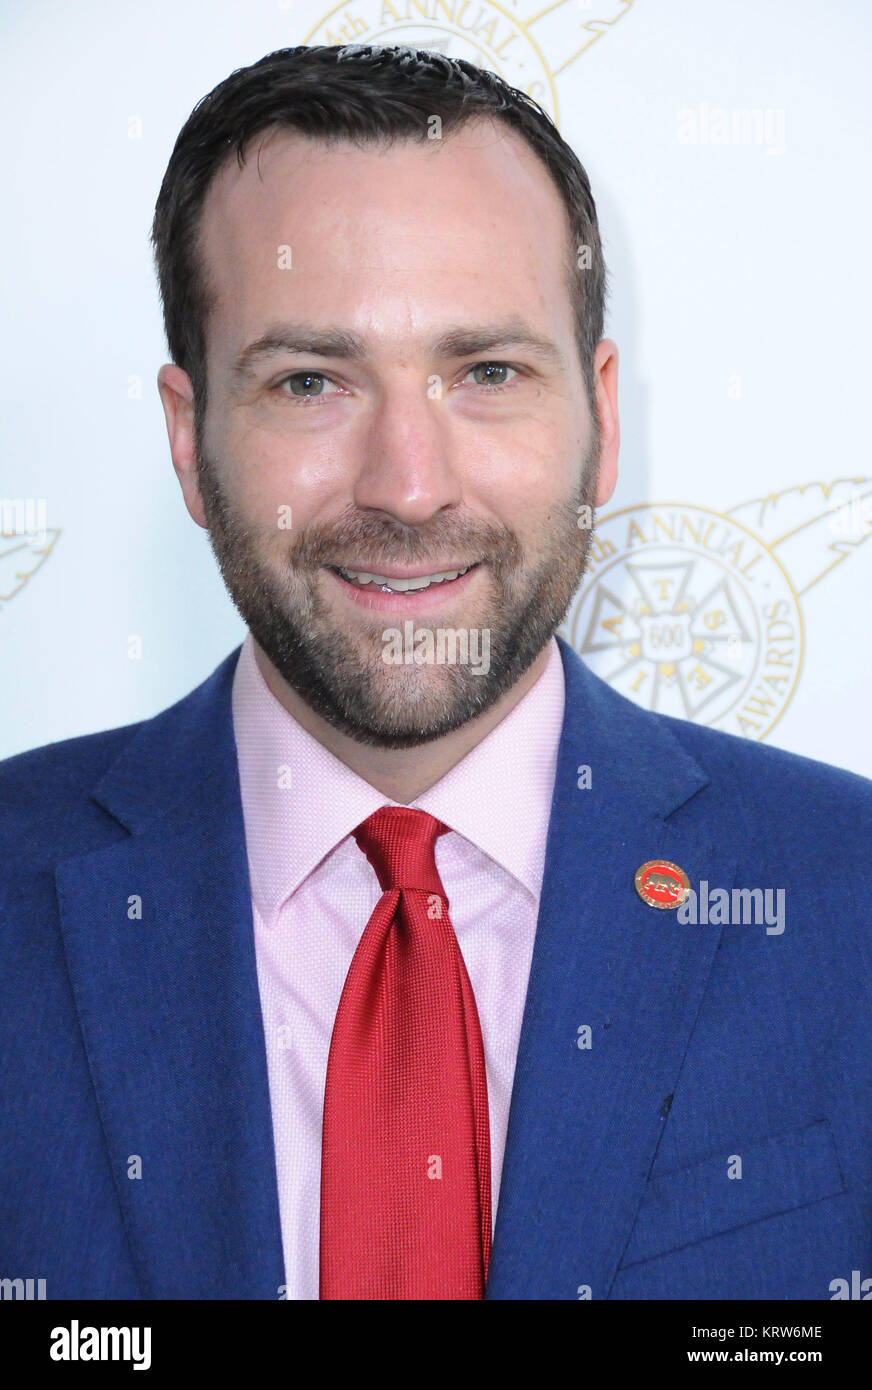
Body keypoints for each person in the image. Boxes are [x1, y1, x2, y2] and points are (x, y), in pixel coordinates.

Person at [1, 44, 870, 1303]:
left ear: (601, 419)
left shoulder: (846, 897)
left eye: (487, 374)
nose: (407, 485)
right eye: (310, 381)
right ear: (190, 442)